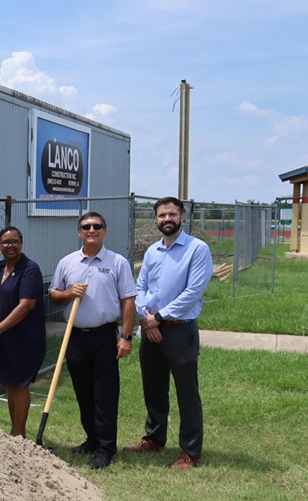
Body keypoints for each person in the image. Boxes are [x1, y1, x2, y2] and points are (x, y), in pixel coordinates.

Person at [126, 196, 214, 469]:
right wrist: (145, 317)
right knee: (153, 388)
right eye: (162, 215)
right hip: (151, 327)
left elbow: (193, 292)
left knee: (187, 392)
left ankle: (190, 452)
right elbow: (140, 288)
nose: (167, 219)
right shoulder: (152, 251)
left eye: (172, 215)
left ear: (182, 217)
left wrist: (159, 318)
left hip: (179, 330)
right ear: (156, 219)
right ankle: (154, 439)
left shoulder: (197, 249)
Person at [49, 212, 136, 469]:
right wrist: (67, 293)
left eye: (97, 226)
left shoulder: (117, 262)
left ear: (105, 231)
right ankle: (92, 438)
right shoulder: (67, 262)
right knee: (83, 392)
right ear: (79, 232)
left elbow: (128, 300)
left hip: (104, 336)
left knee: (105, 394)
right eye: (86, 226)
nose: (91, 230)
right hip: (75, 336)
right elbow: (54, 294)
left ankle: (106, 448)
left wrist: (126, 336)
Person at [0, 226, 46, 438]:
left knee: (20, 383)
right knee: (10, 384)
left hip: (23, 337)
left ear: (21, 244)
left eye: (14, 241)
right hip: (4, 337)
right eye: (5, 242)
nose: (10, 246)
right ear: (0, 246)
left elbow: (26, 306)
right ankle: (15, 433)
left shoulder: (30, 269)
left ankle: (19, 434)